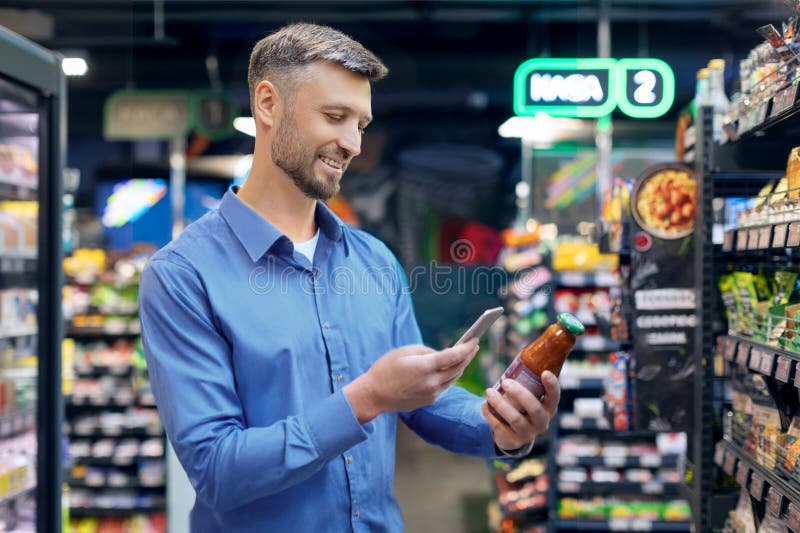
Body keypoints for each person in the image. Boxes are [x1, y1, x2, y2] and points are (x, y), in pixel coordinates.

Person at [138, 22, 560, 533]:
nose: (353, 143)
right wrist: (367, 399)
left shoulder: (374, 261)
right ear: (268, 104)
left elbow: (422, 400)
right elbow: (217, 470)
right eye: (335, 116)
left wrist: (498, 425)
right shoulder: (183, 276)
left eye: (361, 123)